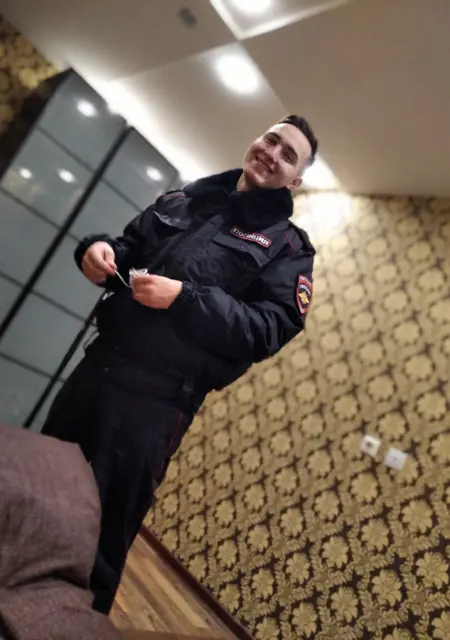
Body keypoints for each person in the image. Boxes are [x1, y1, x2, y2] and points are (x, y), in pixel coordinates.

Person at [41, 114, 318, 614]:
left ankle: (68, 623)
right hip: (99, 366)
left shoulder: (289, 248)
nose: (273, 153)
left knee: (102, 533)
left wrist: (186, 298)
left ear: (294, 180)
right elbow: (129, 248)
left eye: (289, 155)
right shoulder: (184, 199)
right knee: (38, 484)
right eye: (271, 139)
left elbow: (269, 329)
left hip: (157, 403)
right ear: (256, 139)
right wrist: (98, 251)